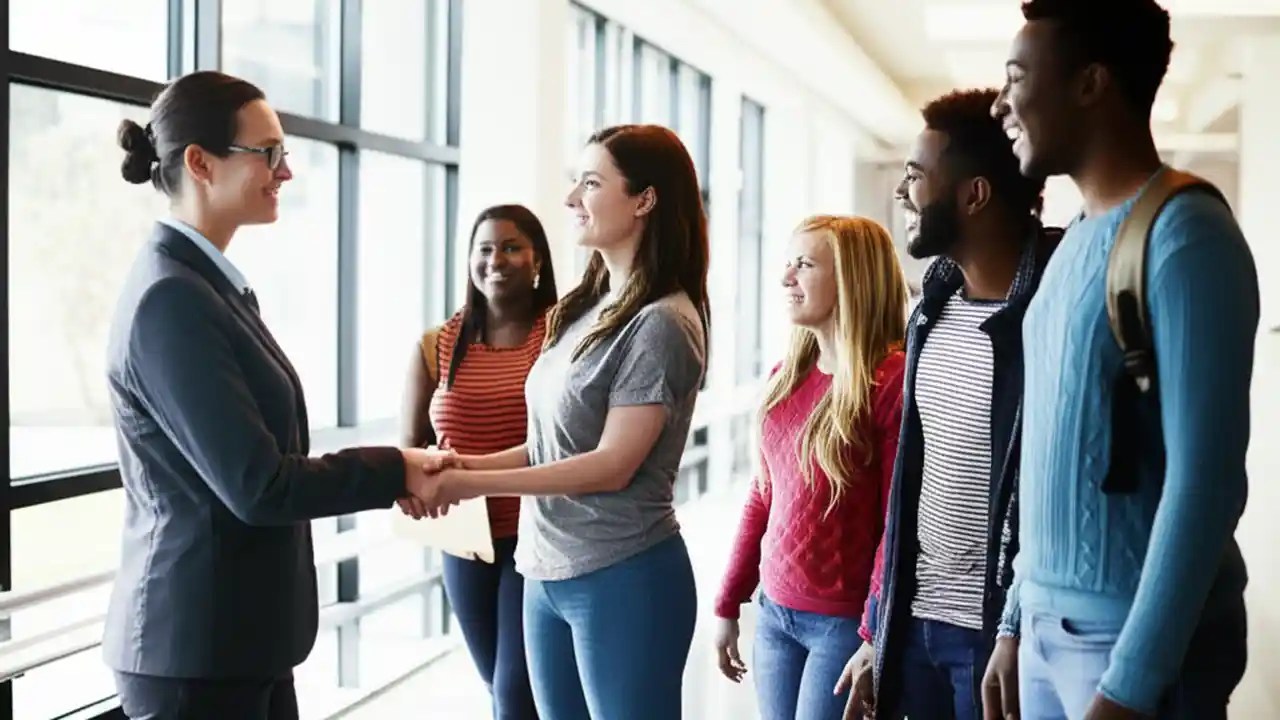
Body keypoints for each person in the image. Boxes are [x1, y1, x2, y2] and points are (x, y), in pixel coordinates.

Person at [104, 70, 441, 720]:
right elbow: (257, 485)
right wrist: (395, 468)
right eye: (269, 153)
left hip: (238, 644)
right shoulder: (171, 299)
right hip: (197, 653)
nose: (285, 171)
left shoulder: (206, 286)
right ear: (200, 163)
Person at [987, 1, 1258, 718]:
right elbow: (1046, 453)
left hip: (1127, 650)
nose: (1001, 102)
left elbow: (1207, 486)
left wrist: (1131, 683)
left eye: (1017, 76)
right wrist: (1017, 616)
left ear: (1090, 83)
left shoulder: (1185, 233)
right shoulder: (1073, 240)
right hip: (1046, 636)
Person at [406, 124, 710, 720]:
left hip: (622, 575)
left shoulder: (661, 323)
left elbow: (610, 466)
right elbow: (548, 443)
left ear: (645, 200)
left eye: (591, 183)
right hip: (542, 572)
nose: (571, 198)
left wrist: (470, 483)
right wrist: (461, 463)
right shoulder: (583, 307)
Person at [834, 88, 1053, 720]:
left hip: (1001, 631)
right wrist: (881, 627)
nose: (903, 195)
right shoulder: (930, 309)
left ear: (974, 194)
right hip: (917, 621)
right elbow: (913, 478)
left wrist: (1016, 626)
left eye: (915, 177)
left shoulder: (1050, 309)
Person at [711, 215, 907, 720]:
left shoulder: (891, 382)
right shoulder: (786, 377)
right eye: (788, 262)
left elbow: (897, 524)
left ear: (851, 278)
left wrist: (873, 633)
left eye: (805, 264)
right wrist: (728, 601)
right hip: (775, 615)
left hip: (843, 627)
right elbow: (762, 496)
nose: (786, 278)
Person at [400, 204, 558, 719]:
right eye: (485, 248)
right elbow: (412, 448)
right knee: (496, 684)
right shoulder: (437, 344)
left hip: (538, 535)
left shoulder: (559, 338)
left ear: (537, 261)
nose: (497, 259)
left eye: (512, 247)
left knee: (515, 692)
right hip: (464, 539)